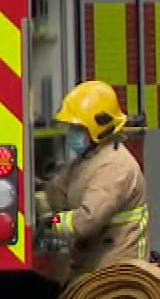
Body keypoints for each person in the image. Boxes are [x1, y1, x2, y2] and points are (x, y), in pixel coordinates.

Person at [36, 79, 149, 279]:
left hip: (117, 276)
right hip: (94, 267)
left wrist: (49, 223)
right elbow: (58, 192)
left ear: (99, 127)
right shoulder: (87, 160)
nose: (72, 134)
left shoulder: (115, 166)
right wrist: (37, 192)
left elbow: (88, 220)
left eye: (78, 128)